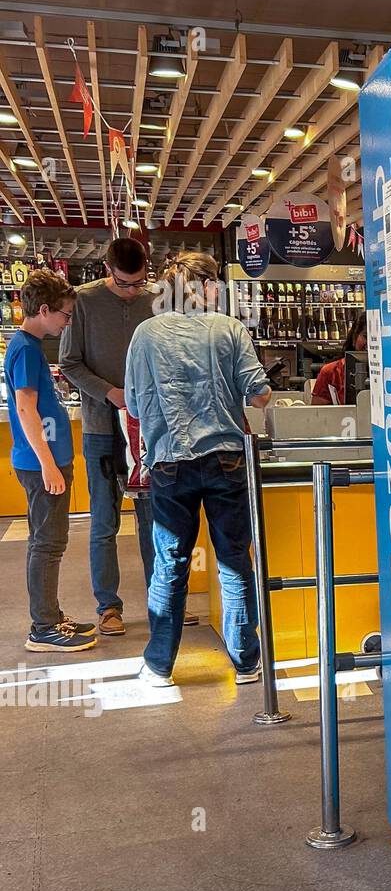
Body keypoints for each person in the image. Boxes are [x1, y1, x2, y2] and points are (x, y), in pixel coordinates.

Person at [124, 253, 272, 687]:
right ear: (206, 286)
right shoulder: (229, 328)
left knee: (170, 563)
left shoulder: (145, 334)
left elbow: (132, 403)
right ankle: (246, 662)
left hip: (170, 462)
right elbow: (259, 395)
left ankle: (158, 666)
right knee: (232, 561)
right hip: (226, 459)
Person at [59, 236, 160, 636]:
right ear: (107, 271)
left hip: (149, 431)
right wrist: (108, 392)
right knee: (104, 521)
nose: (134, 290)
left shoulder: (155, 301)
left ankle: (162, 600)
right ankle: (108, 607)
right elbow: (69, 362)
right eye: (125, 283)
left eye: (139, 282)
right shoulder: (82, 301)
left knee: (156, 522)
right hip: (102, 428)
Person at [4, 270, 96, 652]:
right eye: (65, 314)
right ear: (44, 309)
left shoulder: (28, 345)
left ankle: (51, 616)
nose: (67, 321)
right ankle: (43, 626)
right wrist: (47, 462)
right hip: (41, 461)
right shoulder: (25, 348)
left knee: (48, 541)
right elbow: (25, 408)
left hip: (46, 458)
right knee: (47, 544)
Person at [311, 312, 366, 404]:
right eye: (366, 336)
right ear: (354, 336)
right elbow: (318, 414)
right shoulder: (331, 371)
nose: (371, 342)